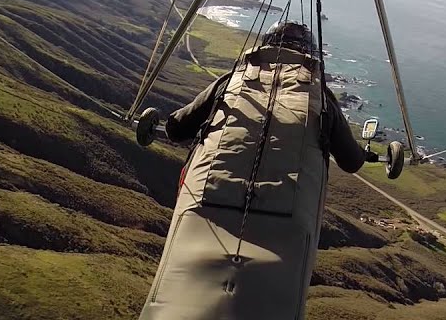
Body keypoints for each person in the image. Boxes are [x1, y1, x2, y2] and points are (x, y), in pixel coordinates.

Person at [139, 21, 374, 320]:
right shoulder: (321, 97)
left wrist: (161, 123)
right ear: (308, 53)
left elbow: (176, 128)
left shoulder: (232, 80)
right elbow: (352, 161)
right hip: (288, 214)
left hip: (206, 199)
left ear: (267, 43)